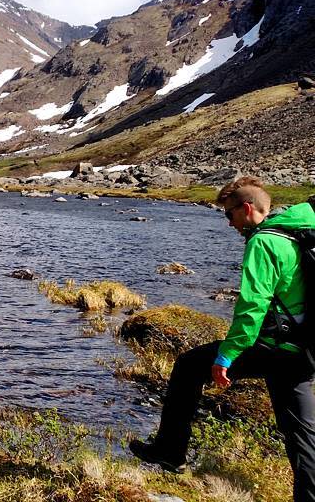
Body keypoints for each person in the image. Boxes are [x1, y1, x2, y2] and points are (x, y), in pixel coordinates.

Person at [128, 176, 315, 501]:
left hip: (274, 347)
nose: (228, 223)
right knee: (302, 434)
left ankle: (170, 452)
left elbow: (252, 307)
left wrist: (227, 355)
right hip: (306, 348)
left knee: (188, 366)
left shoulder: (265, 241)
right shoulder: (300, 229)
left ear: (246, 209)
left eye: (228, 214)